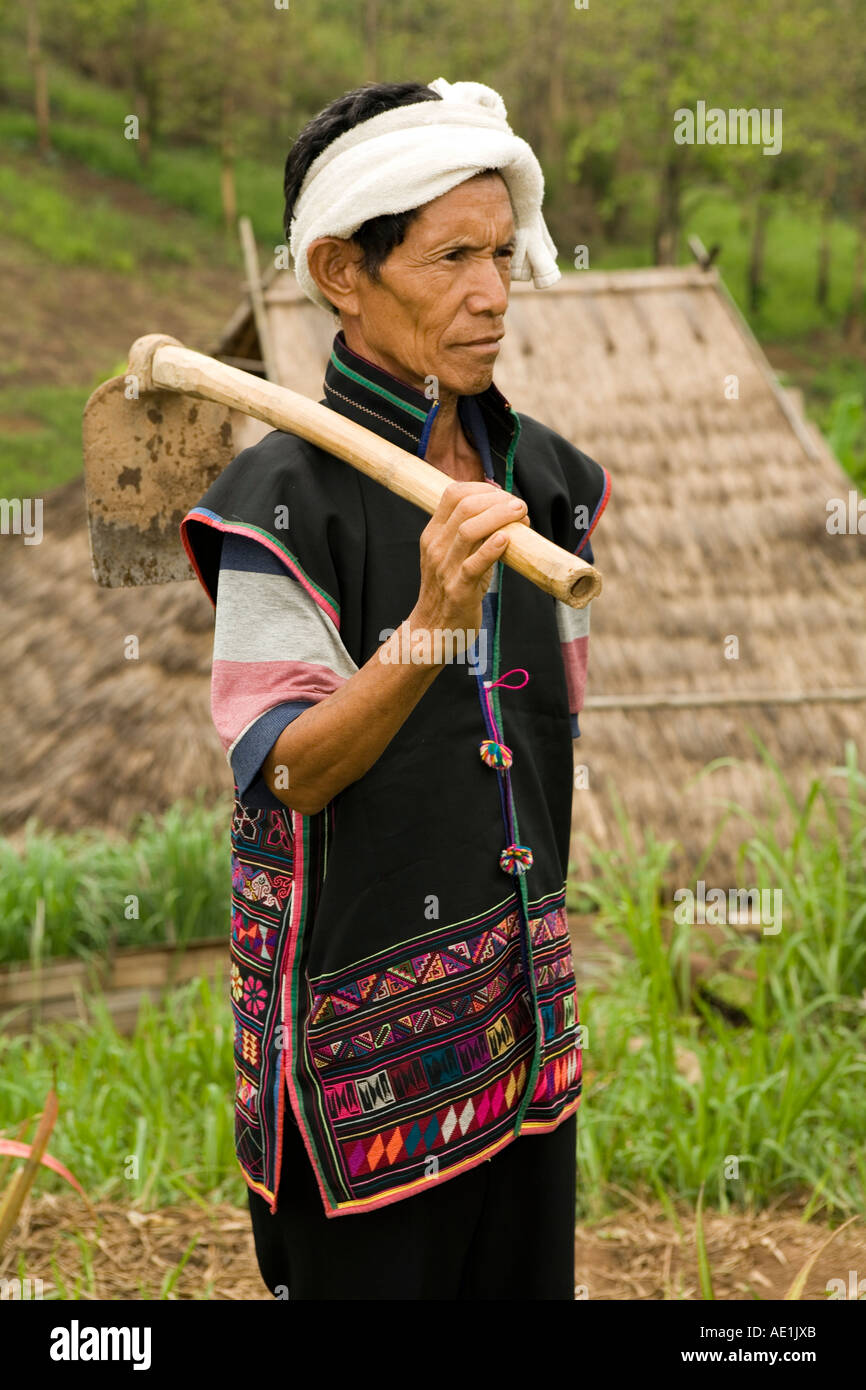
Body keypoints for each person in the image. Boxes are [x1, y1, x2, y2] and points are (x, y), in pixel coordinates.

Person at [180, 76, 611, 1301]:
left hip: (522, 1032)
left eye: (500, 253)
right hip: (353, 1075)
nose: (491, 291)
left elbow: (545, 730)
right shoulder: (278, 505)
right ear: (341, 272)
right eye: (448, 257)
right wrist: (429, 628)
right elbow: (290, 767)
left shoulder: (553, 487)